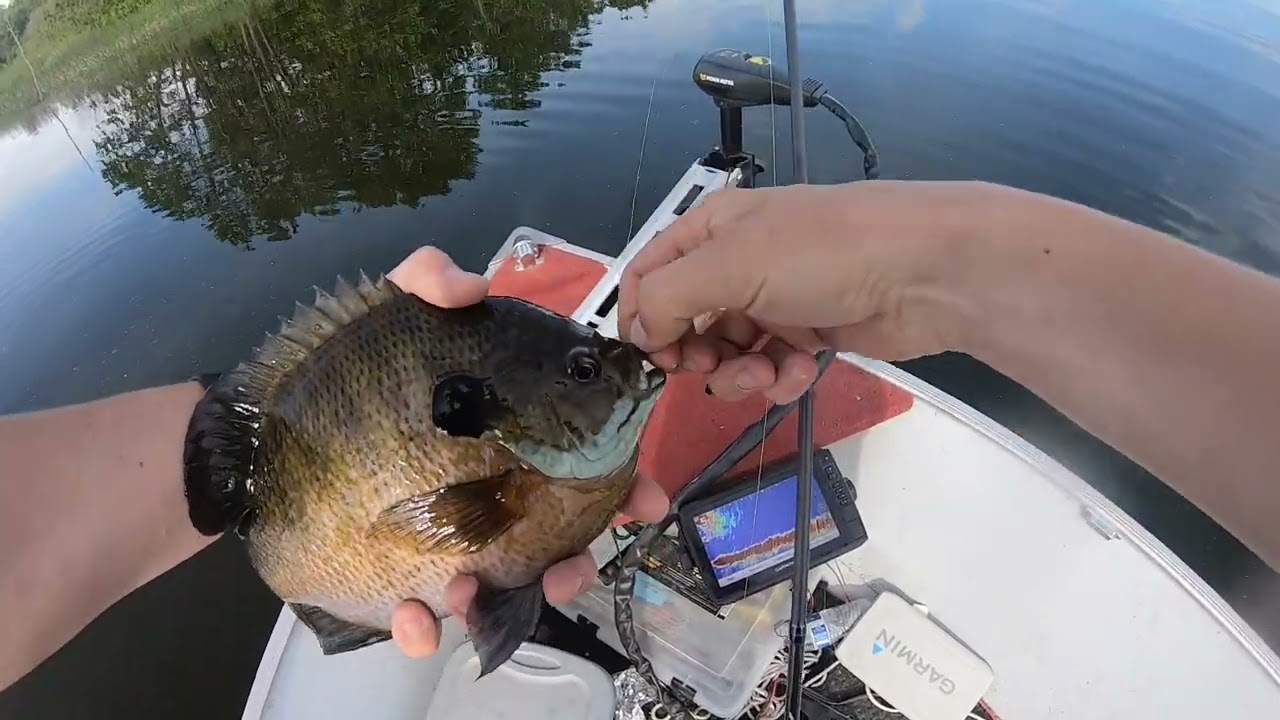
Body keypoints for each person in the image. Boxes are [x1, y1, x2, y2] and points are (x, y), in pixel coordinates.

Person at [1, 179, 1277, 693]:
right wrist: (939, 272)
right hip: (342, 546)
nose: (610, 366)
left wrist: (931, 272)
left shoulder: (530, 443)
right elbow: (440, 507)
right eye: (578, 369)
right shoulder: (498, 460)